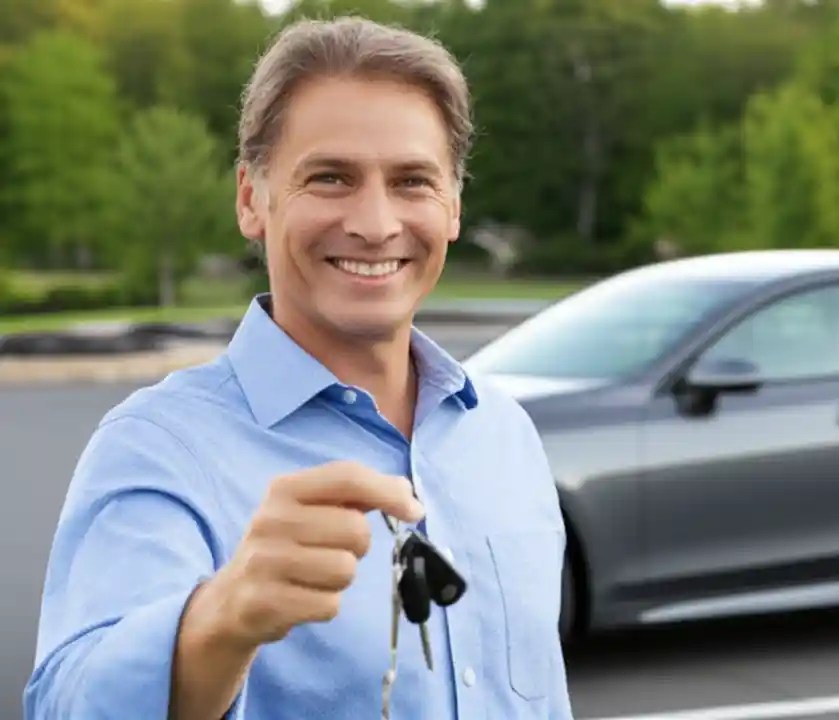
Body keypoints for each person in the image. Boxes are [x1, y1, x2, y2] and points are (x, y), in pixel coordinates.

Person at [24, 15, 573, 720]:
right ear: (252, 199)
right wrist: (220, 620)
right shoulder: (159, 450)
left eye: (412, 181)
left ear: (455, 205)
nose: (376, 223)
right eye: (331, 178)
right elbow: (67, 704)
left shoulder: (506, 437)